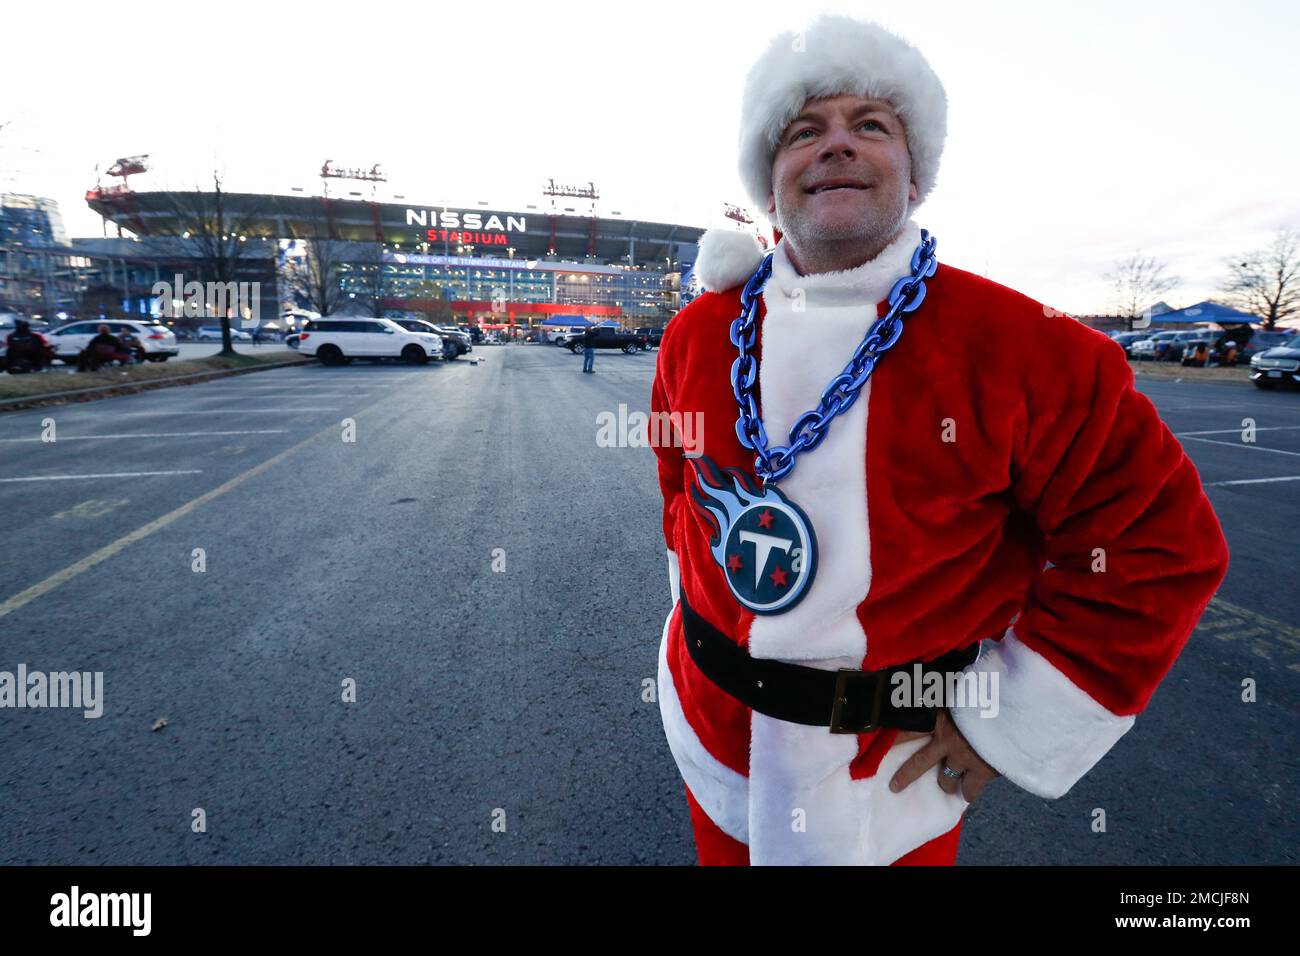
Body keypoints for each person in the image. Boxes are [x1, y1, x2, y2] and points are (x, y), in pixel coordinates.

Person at [650, 15, 1230, 866]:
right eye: (804, 131)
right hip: (715, 744)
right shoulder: (695, 335)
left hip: (887, 788)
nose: (836, 145)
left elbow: (1160, 548)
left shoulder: (1034, 350)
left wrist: (1009, 726)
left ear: (915, 173)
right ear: (769, 186)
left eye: (870, 126)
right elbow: (676, 487)